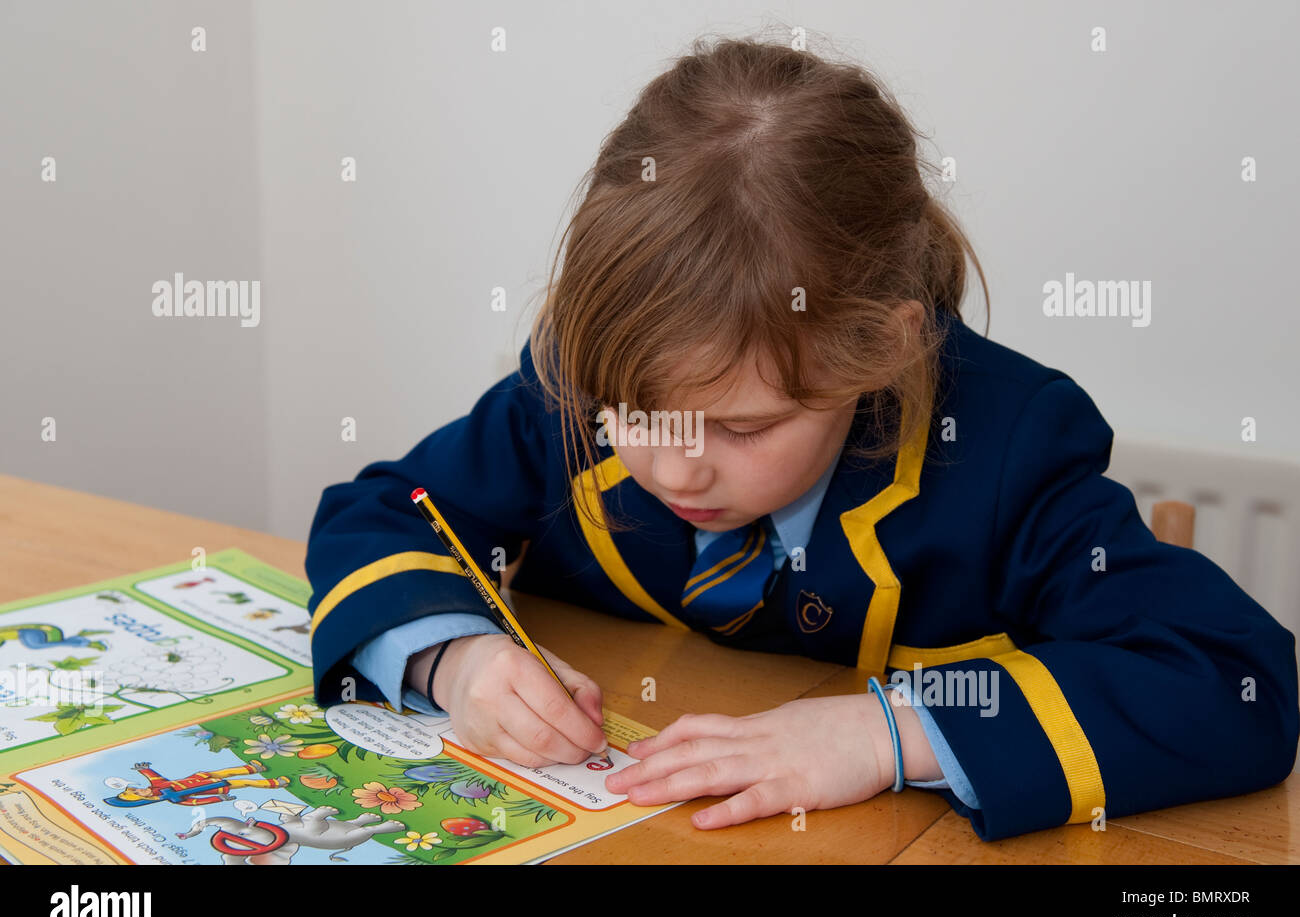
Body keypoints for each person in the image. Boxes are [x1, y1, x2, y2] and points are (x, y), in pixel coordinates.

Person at [305, 36, 1298, 842]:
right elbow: (385, 511)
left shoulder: (1005, 451)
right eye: (632, 410)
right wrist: (458, 663)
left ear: (881, 347)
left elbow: (1231, 677)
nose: (674, 463)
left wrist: (889, 732)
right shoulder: (572, 383)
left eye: (743, 426)